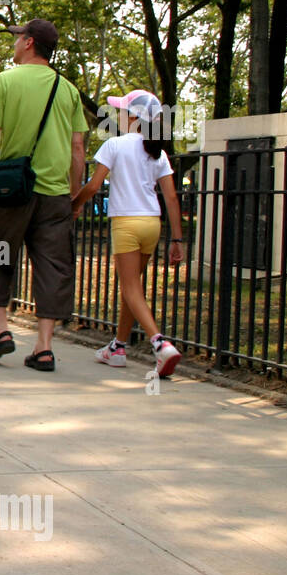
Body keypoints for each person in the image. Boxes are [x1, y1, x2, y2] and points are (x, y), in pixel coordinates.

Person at [0, 19, 88, 371]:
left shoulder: (5, 81)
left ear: (30, 42)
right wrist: (73, 193)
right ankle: (44, 346)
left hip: (11, 193)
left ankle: (2, 330)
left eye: (18, 37)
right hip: (54, 196)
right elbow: (78, 147)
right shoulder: (67, 90)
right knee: (52, 265)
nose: (15, 43)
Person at [72, 89, 184, 377]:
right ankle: (118, 347)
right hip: (152, 225)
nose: (118, 116)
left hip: (126, 223)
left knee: (131, 287)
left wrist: (75, 205)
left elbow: (94, 186)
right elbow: (171, 198)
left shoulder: (115, 146)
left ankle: (160, 345)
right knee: (131, 289)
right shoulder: (156, 151)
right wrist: (177, 239)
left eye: (121, 111)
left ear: (133, 116)